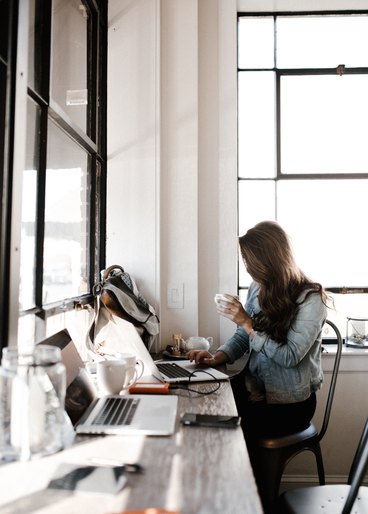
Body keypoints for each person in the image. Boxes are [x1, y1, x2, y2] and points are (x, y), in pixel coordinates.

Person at [187, 221, 329, 506]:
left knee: (232, 434)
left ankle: (249, 503)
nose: (248, 269)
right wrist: (219, 357)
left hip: (290, 404)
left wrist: (247, 323)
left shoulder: (310, 299)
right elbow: (243, 335)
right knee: (201, 413)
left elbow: (289, 357)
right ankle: (209, 498)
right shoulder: (257, 288)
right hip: (255, 389)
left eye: (250, 262)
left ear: (269, 260)